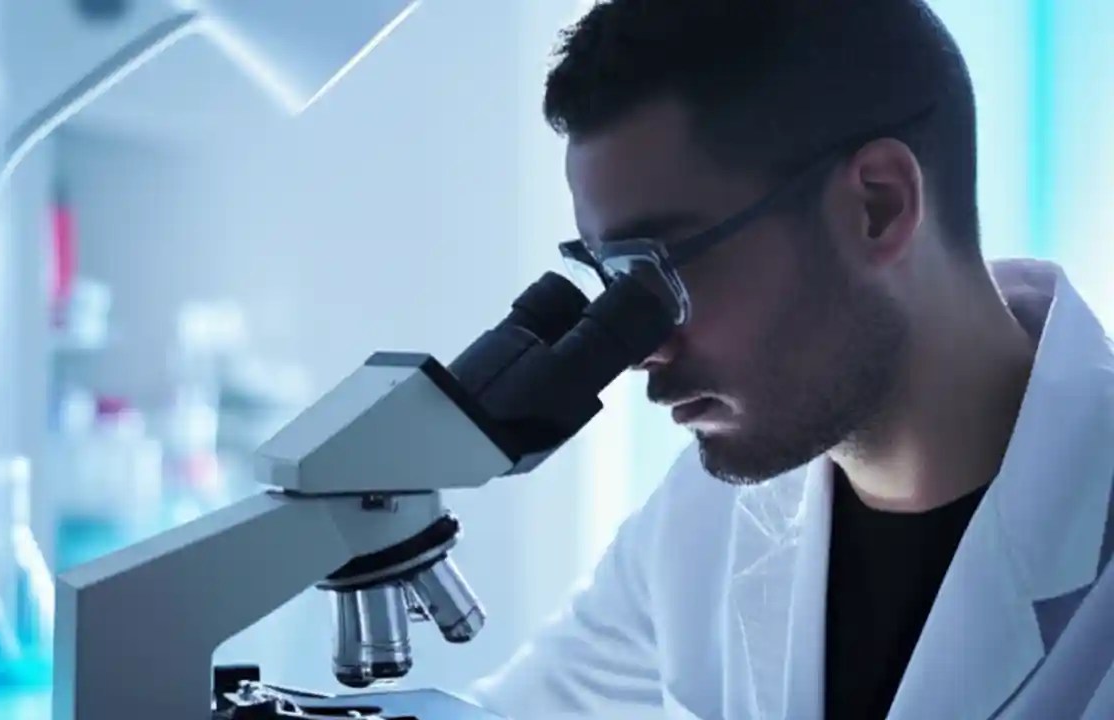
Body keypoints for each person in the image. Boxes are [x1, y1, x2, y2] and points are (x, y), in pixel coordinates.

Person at [467, 1, 1114, 718]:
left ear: (878, 205)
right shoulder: (704, 520)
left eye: (659, 271)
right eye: (616, 283)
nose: (641, 349)